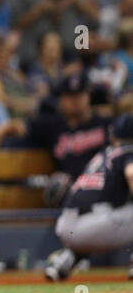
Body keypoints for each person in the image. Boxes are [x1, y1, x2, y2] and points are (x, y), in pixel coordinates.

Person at [44, 114, 133, 281]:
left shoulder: (103, 155)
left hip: (65, 227)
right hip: (95, 224)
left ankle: (65, 260)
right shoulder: (129, 151)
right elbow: (131, 174)